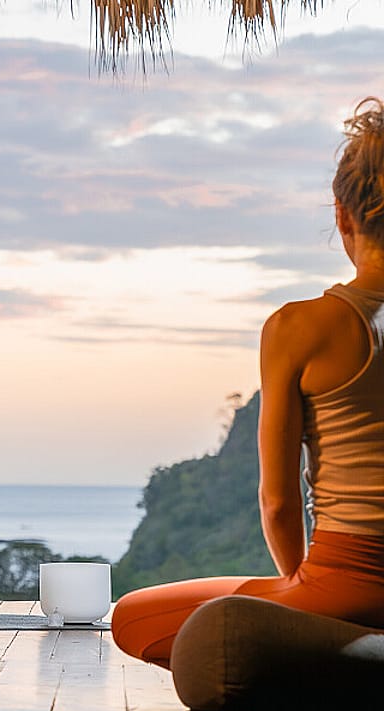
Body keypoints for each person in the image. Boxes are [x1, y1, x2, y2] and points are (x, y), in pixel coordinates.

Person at [112, 97, 384, 668]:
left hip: (347, 584)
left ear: (342, 216)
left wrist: (299, 600)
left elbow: (278, 502)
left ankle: (330, 648)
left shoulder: (300, 327)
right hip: (348, 591)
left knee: (132, 618)